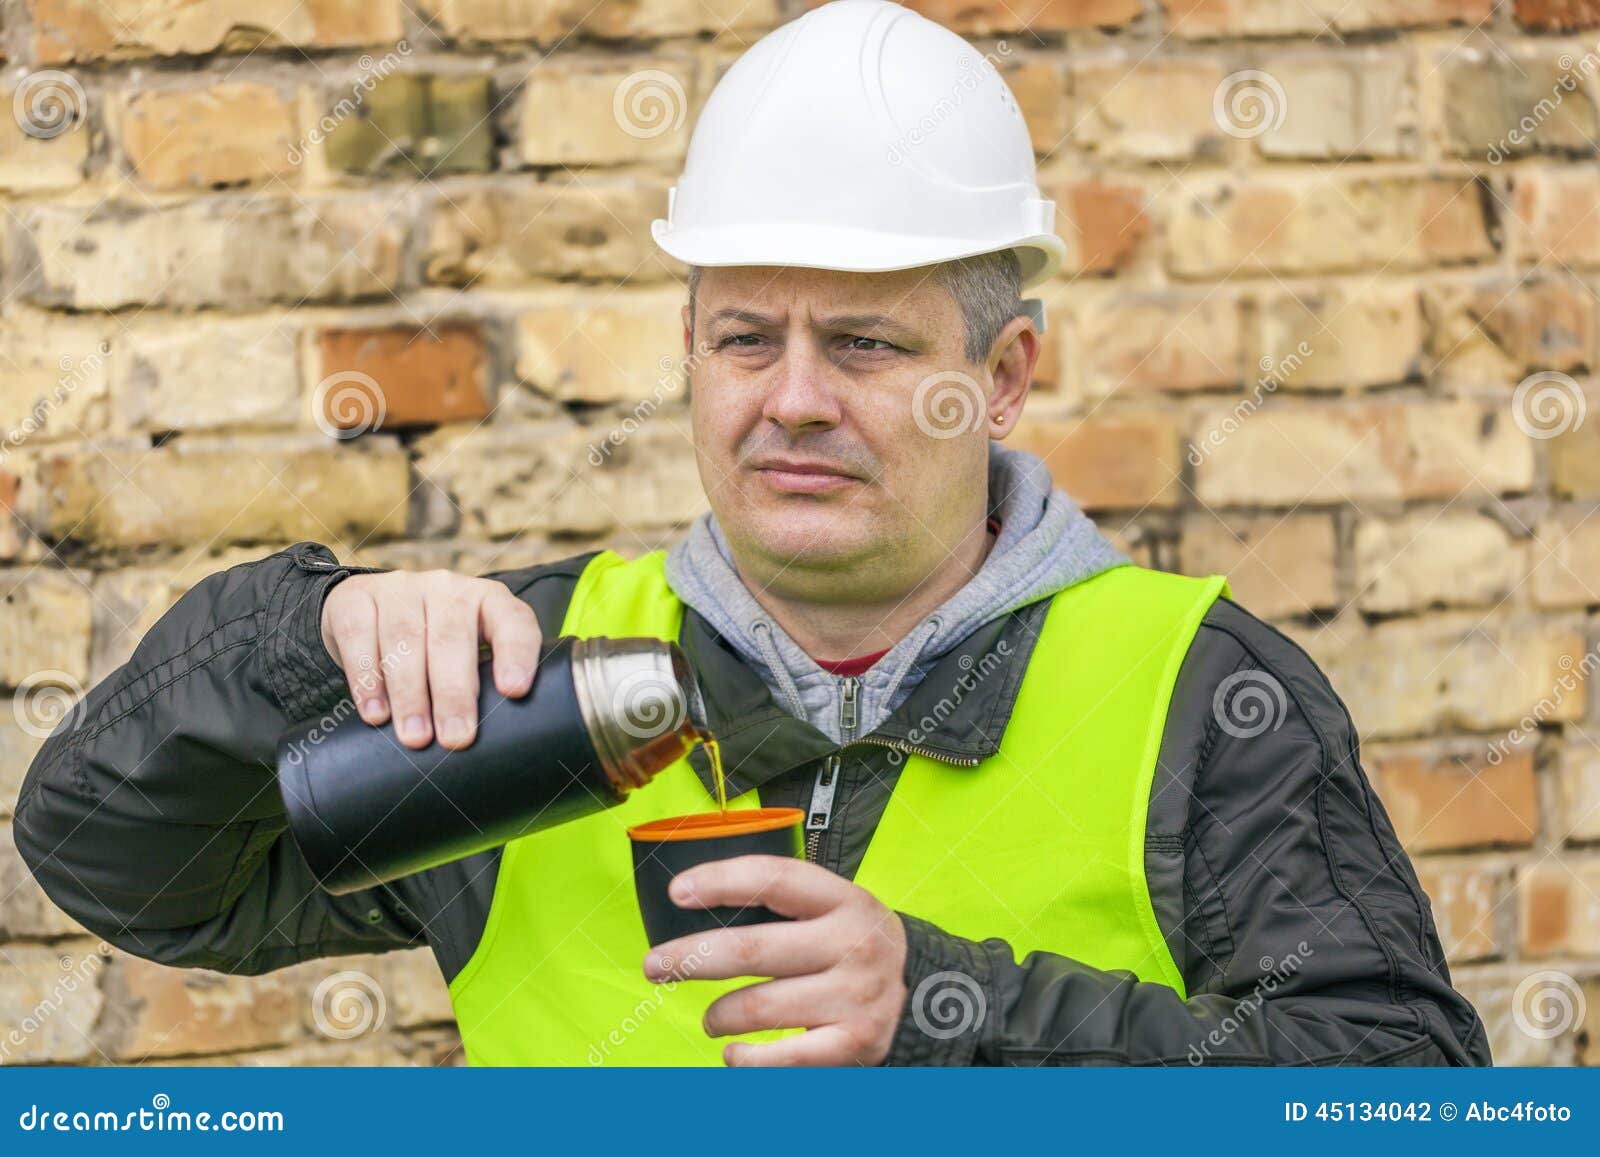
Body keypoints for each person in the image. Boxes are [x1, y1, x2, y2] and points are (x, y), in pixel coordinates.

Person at [13, 0, 1488, 1067]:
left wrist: (952, 1013)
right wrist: (300, 637)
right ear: (688, 349)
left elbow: (1403, 1096)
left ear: (1006, 377)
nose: (791, 401)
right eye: (743, 340)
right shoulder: (527, 671)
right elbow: (119, 858)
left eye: (860, 344)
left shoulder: (1198, 698)